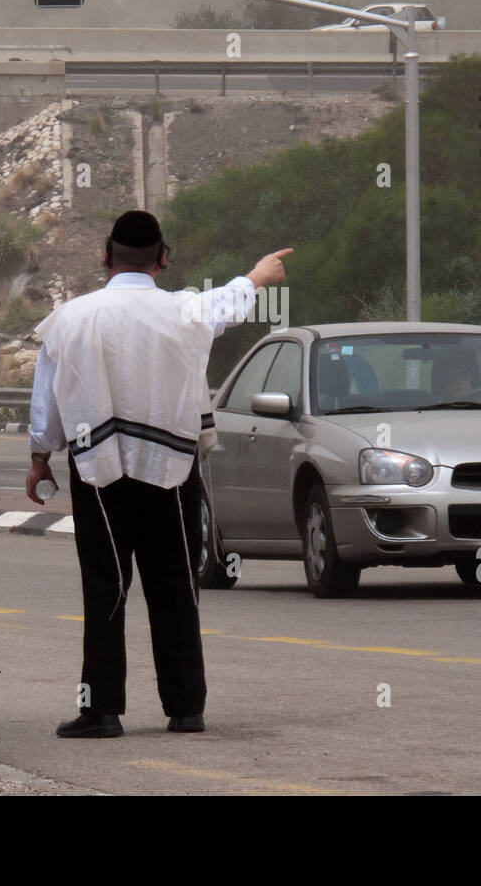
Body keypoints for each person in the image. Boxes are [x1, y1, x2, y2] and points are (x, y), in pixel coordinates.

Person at [25, 209, 292, 738]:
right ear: (162, 260)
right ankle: (186, 708)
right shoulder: (186, 311)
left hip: (97, 468)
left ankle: (100, 711)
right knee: (174, 584)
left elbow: (47, 403)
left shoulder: (69, 319)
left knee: (106, 586)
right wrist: (259, 274)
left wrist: (40, 458)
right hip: (171, 467)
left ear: (105, 257)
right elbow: (230, 301)